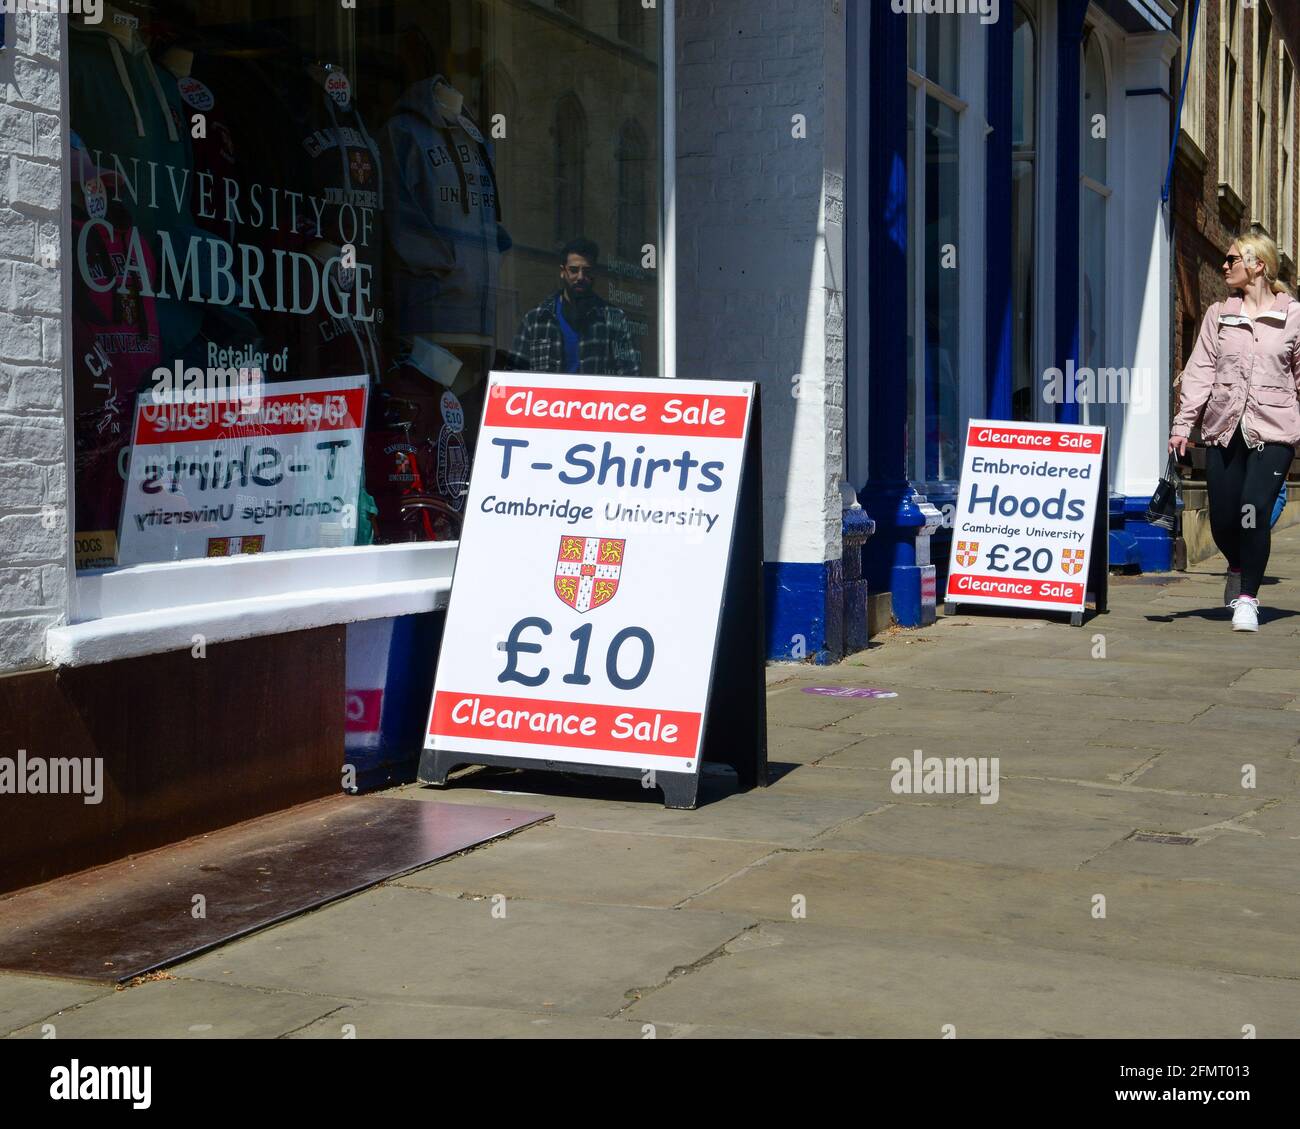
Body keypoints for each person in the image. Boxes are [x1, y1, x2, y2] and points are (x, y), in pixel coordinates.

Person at [1169, 231, 1300, 632]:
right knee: (1225, 519)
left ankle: (1247, 600)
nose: (1225, 266)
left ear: (1257, 265)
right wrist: (1182, 424)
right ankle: (1239, 564)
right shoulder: (1217, 315)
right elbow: (1200, 373)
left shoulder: (1292, 316)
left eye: (1232, 260)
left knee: (1254, 509)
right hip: (1225, 428)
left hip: (1274, 430)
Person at [507, 238, 640, 375]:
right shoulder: (535, 320)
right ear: (562, 271)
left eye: (587, 271)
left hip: (596, 396)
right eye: (574, 270)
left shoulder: (614, 319)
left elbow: (630, 374)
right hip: (547, 397)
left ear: (594, 273)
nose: (580, 277)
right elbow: (515, 374)